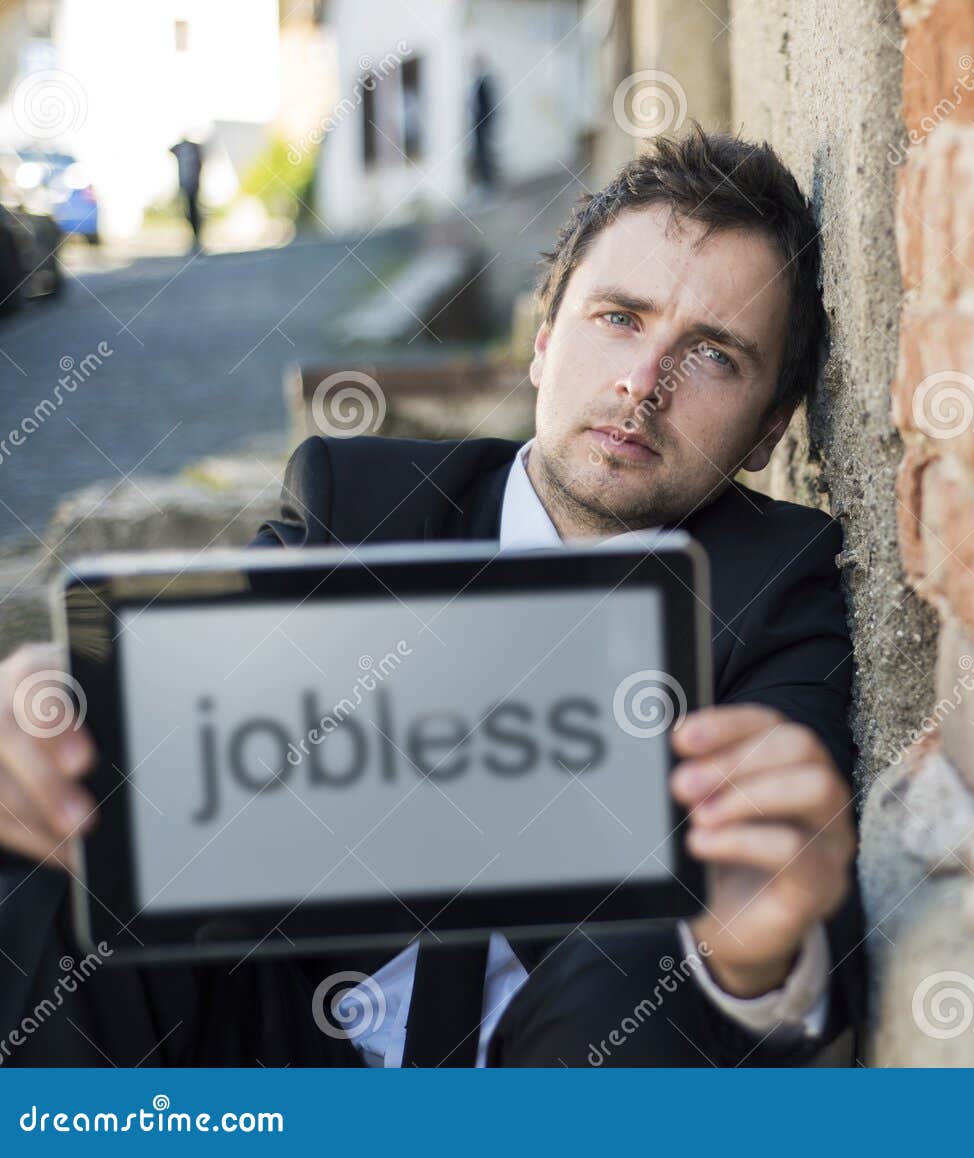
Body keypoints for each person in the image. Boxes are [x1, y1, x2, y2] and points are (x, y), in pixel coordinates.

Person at [0, 127, 864, 1067]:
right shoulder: (355, 503)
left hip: (555, 1072)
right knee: (41, 878)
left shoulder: (776, 585)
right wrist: (62, 724)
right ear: (542, 340)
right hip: (274, 1051)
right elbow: (177, 720)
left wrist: (752, 954)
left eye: (713, 357)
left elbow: (795, 870)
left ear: (768, 432)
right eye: (619, 317)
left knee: (654, 935)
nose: (640, 383)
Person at [169, 136, 203, 253]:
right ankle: (193, 237)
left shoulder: (195, 151)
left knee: (194, 211)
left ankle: (197, 238)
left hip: (193, 184)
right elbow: (171, 149)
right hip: (184, 184)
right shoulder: (182, 151)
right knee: (187, 211)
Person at [469, 55, 496, 192]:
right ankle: (482, 182)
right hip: (477, 126)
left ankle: (488, 183)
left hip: (483, 125)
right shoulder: (475, 83)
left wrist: (487, 124)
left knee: (485, 154)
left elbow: (488, 106)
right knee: (479, 154)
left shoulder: (484, 83)